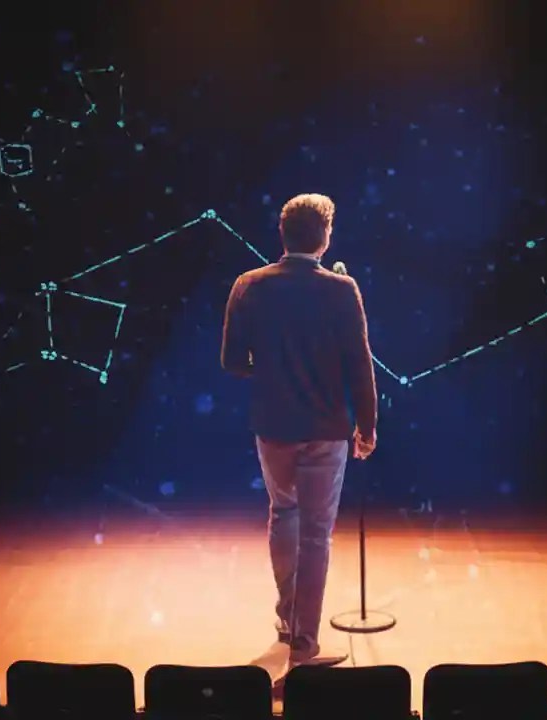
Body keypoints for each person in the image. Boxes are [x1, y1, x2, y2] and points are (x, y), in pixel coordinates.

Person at [221, 193, 379, 668]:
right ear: (325, 236)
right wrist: (367, 427)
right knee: (315, 534)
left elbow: (231, 362)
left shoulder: (248, 284)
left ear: (282, 234)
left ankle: (290, 622)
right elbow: (360, 365)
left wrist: (270, 372)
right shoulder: (341, 288)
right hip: (326, 429)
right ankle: (304, 643)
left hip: (273, 426)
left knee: (282, 515)